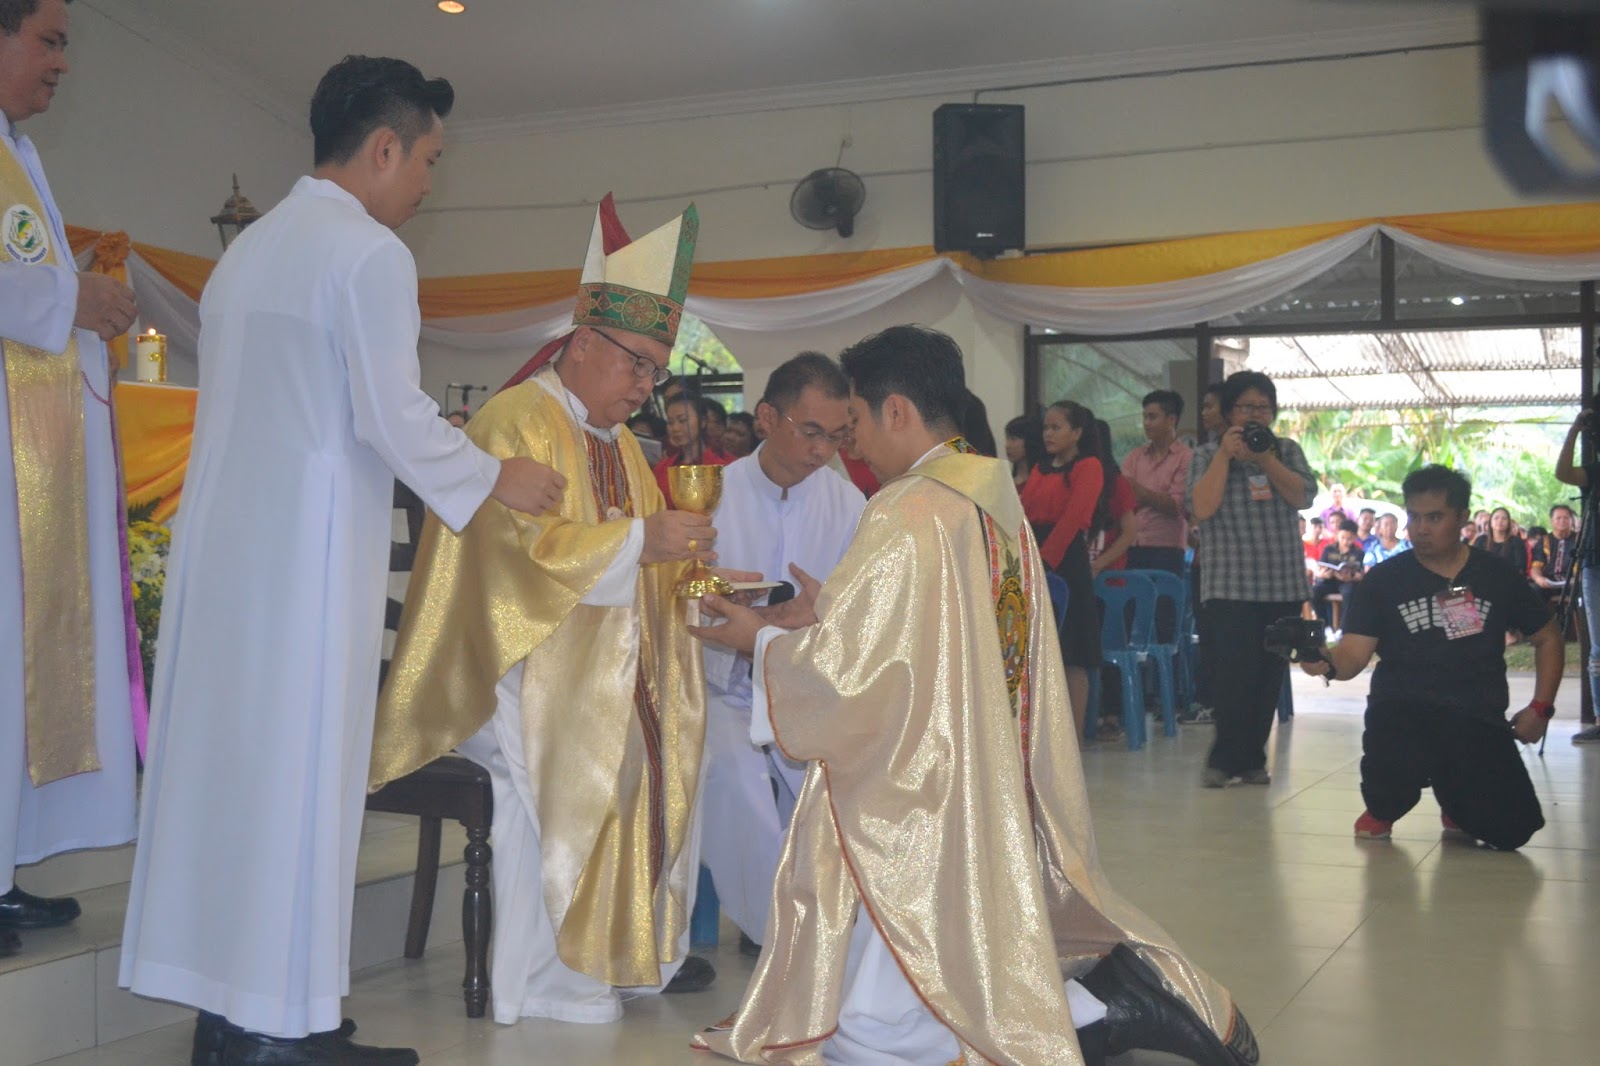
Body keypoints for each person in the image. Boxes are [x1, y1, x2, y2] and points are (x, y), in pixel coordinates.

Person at [118, 57, 568, 1066]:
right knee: (304, 787)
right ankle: (280, 1033)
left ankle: (241, 1015)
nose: (429, 183)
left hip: (229, 559)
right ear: (384, 147)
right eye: (429, 161)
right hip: (306, 565)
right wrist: (498, 475)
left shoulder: (248, 253)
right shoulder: (367, 253)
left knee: (238, 786)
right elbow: (391, 415)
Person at [685, 325, 1259, 1066]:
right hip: (985, 749)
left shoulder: (908, 508)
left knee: (875, 1019)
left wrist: (755, 640)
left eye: (855, 422)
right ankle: (1098, 1002)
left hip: (923, 770)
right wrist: (835, 608)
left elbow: (851, 677)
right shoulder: (984, 489)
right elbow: (938, 629)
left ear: (897, 411)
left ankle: (1061, 1012)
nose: (853, 444)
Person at [370, 195, 730, 1027]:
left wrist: (697, 577)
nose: (645, 387)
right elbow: (512, 561)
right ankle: (552, 979)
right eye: (637, 365)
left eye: (655, 373)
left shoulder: (619, 444)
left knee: (678, 742)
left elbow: (641, 557)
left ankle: (626, 952)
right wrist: (640, 540)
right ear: (584, 342)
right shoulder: (515, 420)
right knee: (597, 754)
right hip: (500, 668)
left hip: (591, 663)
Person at [1, 0, 141, 962]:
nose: (62, 63)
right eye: (48, 40)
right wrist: (70, 295)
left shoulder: (18, 154)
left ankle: (4, 867)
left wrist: (74, 294)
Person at [698, 352, 864, 954]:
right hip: (720, 688)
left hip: (807, 692)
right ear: (767, 417)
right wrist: (716, 601)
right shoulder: (710, 495)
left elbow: (859, 615)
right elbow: (674, 600)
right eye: (810, 431)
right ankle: (784, 943)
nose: (822, 451)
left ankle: (828, 933)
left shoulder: (849, 505)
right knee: (735, 781)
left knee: (842, 795)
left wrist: (820, 614)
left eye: (837, 436)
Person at [1301, 466, 1558, 851]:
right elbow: (1352, 654)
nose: (1420, 529)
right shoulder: (1384, 580)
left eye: (1435, 518)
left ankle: (1457, 800)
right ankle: (1385, 806)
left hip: (1475, 712)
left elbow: (1548, 638)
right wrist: (1325, 663)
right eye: (1414, 517)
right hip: (1402, 712)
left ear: (1462, 517)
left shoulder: (1496, 575)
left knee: (1513, 830)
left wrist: (1540, 708)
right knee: (1390, 772)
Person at [1187, 371, 1316, 788]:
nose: (1255, 414)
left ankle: (1252, 760)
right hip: (1228, 583)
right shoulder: (1207, 455)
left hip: (1281, 582)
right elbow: (1201, 508)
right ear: (1229, 413)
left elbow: (1303, 497)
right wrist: (1226, 457)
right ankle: (1223, 759)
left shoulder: (1287, 450)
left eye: (1263, 407)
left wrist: (1265, 460)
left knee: (1267, 676)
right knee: (1231, 674)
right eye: (1246, 407)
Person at [1021, 399, 1108, 738]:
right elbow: (1024, 511)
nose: (1048, 434)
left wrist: (1046, 560)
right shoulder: (1040, 468)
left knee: (1074, 652)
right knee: (1036, 651)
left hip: (1067, 560)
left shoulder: (1089, 466)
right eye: (1046, 427)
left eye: (1056, 427)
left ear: (1077, 432)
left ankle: (1074, 738)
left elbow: (1074, 518)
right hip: (1035, 553)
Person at [1554, 404, 1600, 742]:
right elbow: (1563, 472)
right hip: (1595, 562)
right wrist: (1574, 431)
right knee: (1598, 646)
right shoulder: (1595, 472)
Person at [1122, 389, 1193, 576]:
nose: (1146, 423)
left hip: (1167, 549)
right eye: (1144, 417)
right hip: (1131, 544)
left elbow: (1176, 506)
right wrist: (1156, 498)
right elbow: (1123, 498)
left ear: (1171, 420)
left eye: (1152, 417)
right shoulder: (1135, 456)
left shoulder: (1186, 457)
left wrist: (1141, 493)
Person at [655, 389, 733, 506]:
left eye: (682, 420)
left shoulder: (724, 467)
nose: (675, 428)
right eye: (670, 422)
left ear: (702, 422)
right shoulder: (661, 469)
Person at [1312, 525, 1364, 631]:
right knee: (1313, 592)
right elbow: (1320, 567)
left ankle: (1343, 629)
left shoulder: (1358, 552)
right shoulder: (1329, 549)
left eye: (1349, 539)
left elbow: (1360, 572)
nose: (1345, 541)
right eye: (1342, 537)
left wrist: (1351, 577)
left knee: (1349, 593)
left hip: (1347, 582)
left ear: (1355, 537)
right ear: (1337, 535)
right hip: (1330, 581)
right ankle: (1325, 627)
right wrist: (1323, 574)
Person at [1473, 506, 1528, 577]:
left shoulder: (1516, 542)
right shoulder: (1481, 540)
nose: (1500, 521)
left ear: (1509, 523)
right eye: (1496, 518)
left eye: (1504, 518)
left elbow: (1520, 567)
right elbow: (1474, 563)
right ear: (1490, 522)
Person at [1005, 412, 1046, 491]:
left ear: (1030, 441)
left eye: (1013, 439)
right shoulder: (1006, 483)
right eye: (1007, 439)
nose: (1007, 445)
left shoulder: (1042, 482)